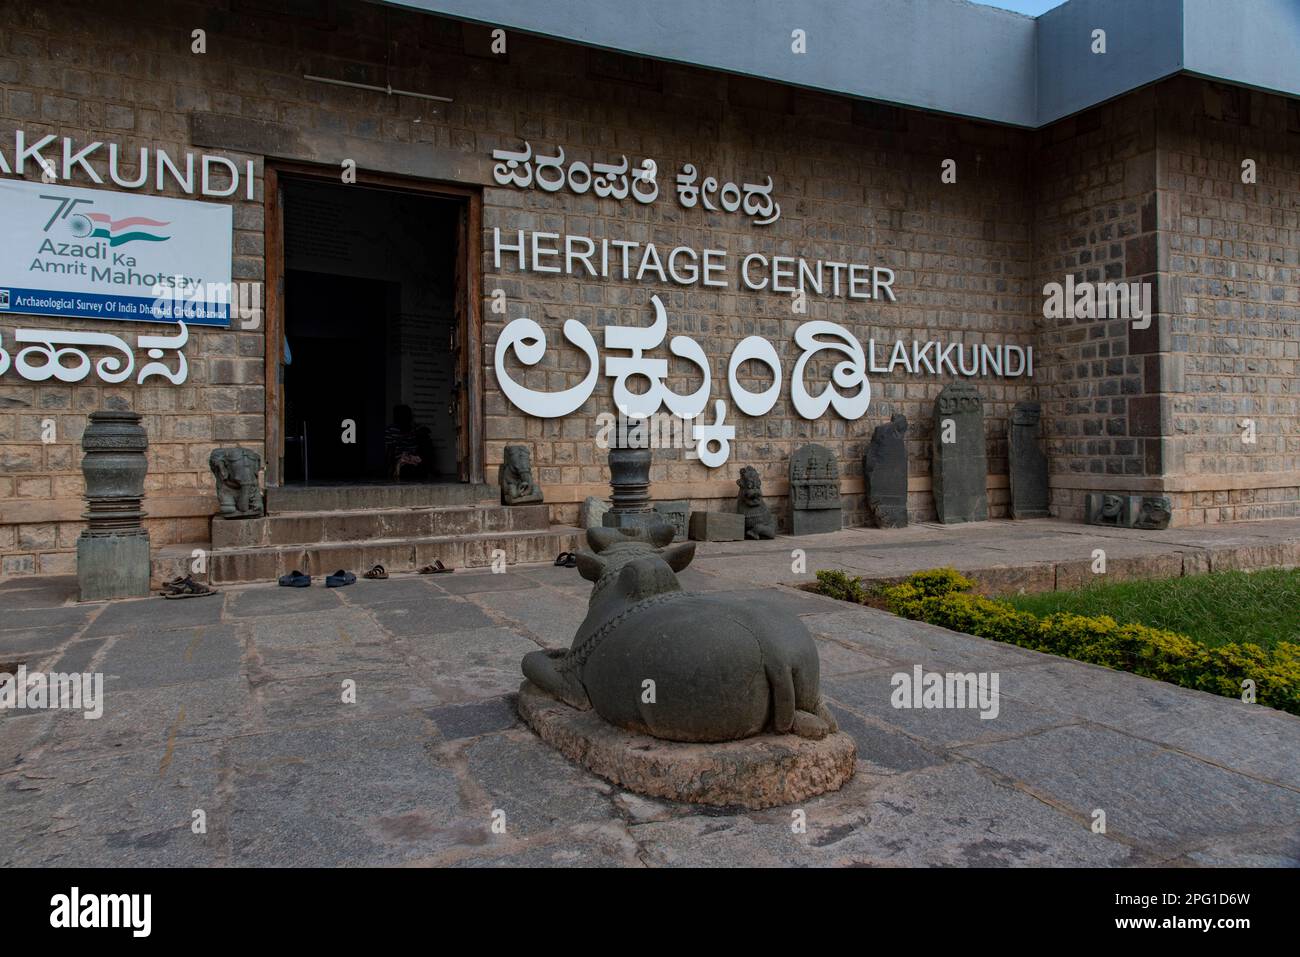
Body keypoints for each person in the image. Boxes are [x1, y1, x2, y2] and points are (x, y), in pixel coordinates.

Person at [385, 404, 435, 480]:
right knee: (408, 470)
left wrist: (420, 433)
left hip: (415, 458)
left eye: (406, 416)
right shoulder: (391, 430)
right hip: (401, 462)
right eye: (401, 416)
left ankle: (429, 469)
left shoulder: (415, 428)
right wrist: (390, 470)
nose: (404, 418)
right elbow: (390, 451)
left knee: (425, 442)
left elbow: (426, 436)